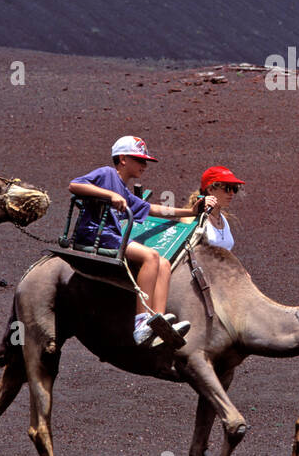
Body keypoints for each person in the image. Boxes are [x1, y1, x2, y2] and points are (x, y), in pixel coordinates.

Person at [68, 136, 198, 345]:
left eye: (145, 161)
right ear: (123, 159)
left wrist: (189, 211)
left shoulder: (125, 192)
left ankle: (158, 320)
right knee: (151, 256)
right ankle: (141, 323)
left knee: (164, 263)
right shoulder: (106, 173)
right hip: (95, 235)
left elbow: (153, 209)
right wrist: (109, 195)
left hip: (110, 237)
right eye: (140, 160)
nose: (144, 166)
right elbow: (74, 185)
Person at [186, 165, 245, 251]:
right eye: (227, 188)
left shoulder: (223, 219)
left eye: (234, 188)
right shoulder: (192, 220)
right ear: (210, 189)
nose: (232, 193)